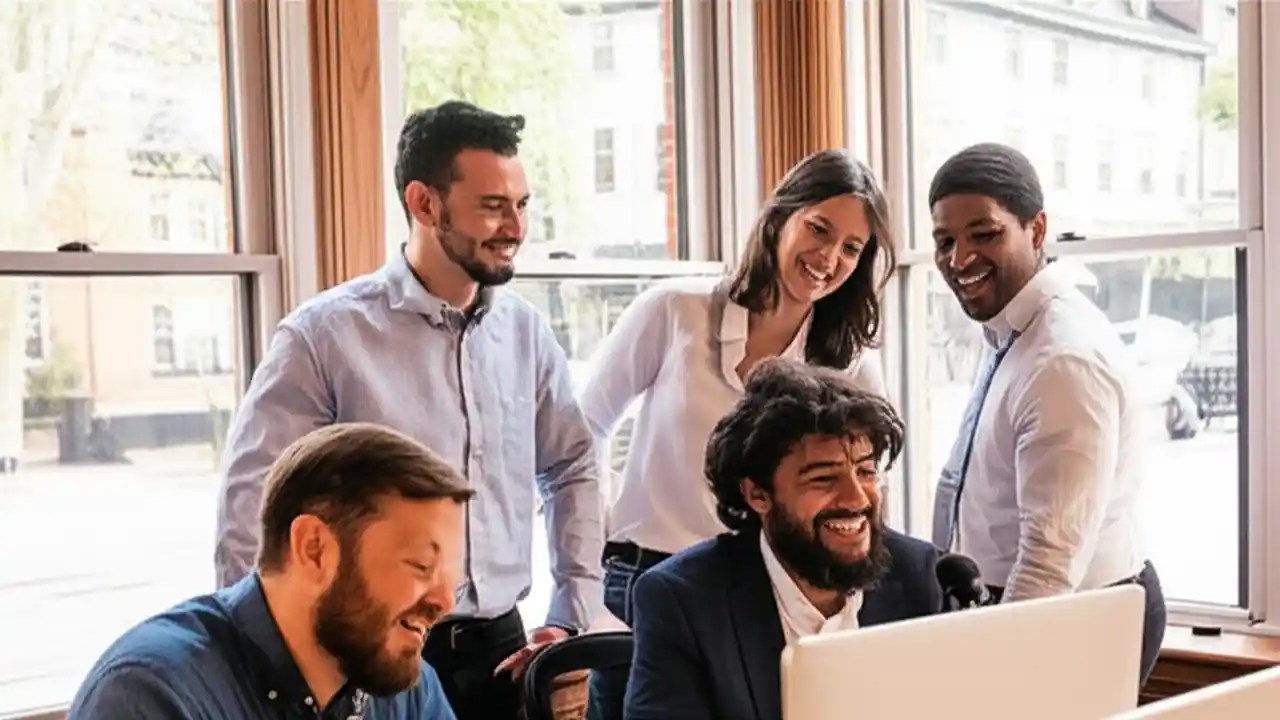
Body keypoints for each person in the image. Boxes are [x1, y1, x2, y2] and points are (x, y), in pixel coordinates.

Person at [215, 101, 603, 718]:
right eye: (493, 206)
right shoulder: (323, 337)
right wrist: (263, 664)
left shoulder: (527, 334)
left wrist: (572, 617)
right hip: (372, 656)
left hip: (506, 657)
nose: (515, 227)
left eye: (522, 205)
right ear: (424, 203)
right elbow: (254, 512)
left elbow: (572, 466)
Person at [578, 149, 895, 716]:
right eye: (819, 229)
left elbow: (870, 489)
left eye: (852, 248)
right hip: (641, 580)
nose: (829, 258)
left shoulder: (851, 364)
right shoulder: (674, 311)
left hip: (767, 594)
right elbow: (582, 435)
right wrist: (586, 575)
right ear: (781, 216)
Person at [926, 143, 1166, 682]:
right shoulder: (1011, 328)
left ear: (1036, 230)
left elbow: (1048, 559)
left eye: (983, 234)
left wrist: (1008, 669)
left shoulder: (1062, 359)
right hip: (1025, 607)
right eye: (945, 241)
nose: (959, 260)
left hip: (1074, 617)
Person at [69, 423, 466, 719]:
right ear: (314, 550)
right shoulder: (152, 695)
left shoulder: (404, 688)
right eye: (421, 566)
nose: (445, 601)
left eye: (451, 578)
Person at [623, 358, 942, 720]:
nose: (856, 498)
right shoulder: (683, 602)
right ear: (757, 495)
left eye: (866, 472)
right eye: (823, 479)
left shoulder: (921, 576)